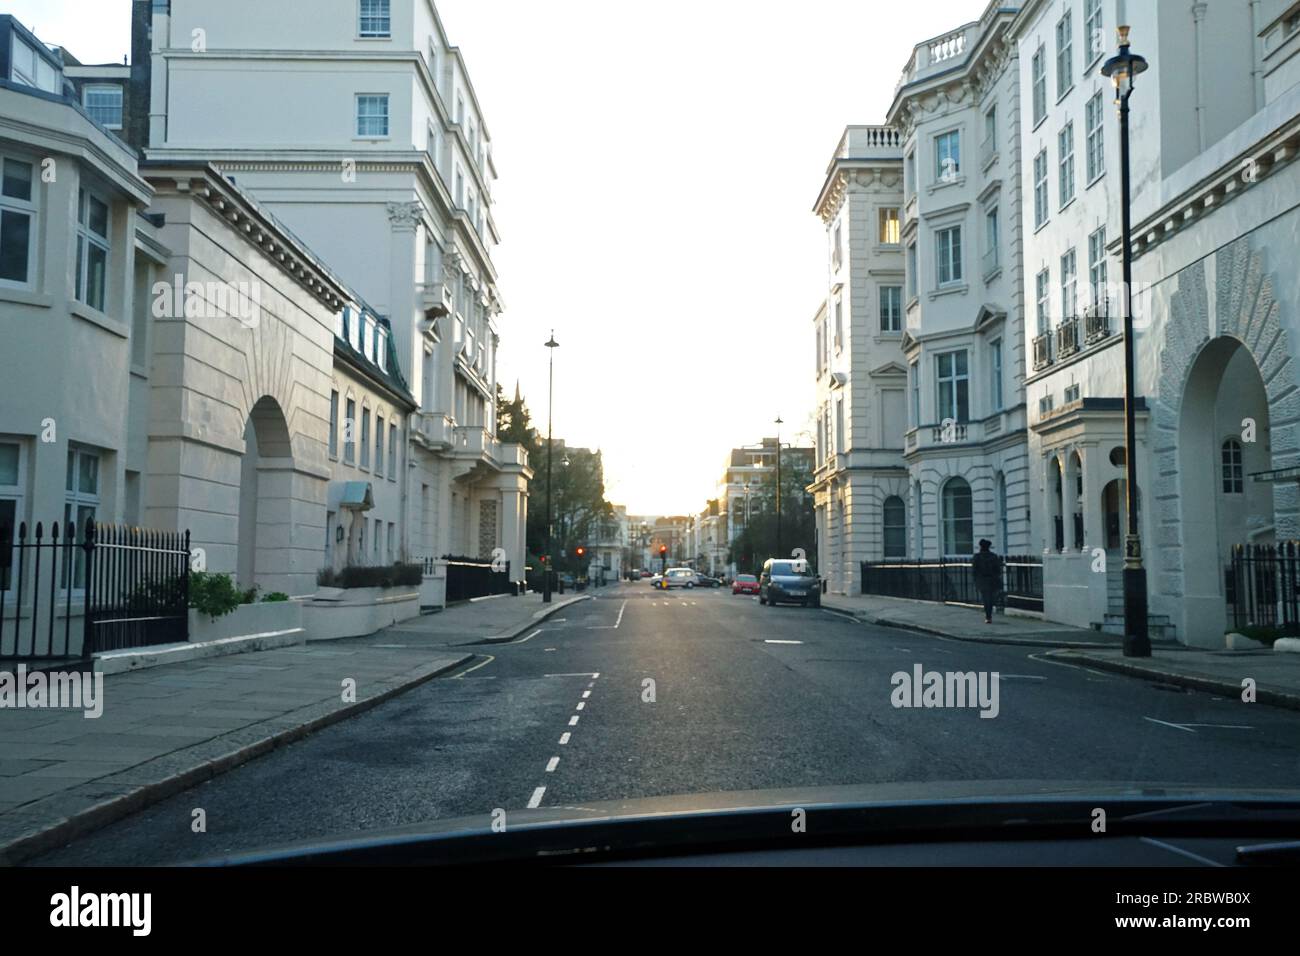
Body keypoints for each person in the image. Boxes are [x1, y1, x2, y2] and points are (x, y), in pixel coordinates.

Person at [971, 539, 1003, 624]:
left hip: (982, 580)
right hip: (993, 580)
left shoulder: (977, 557)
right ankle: (989, 615)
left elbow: (974, 570)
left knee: (986, 598)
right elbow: (998, 570)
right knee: (991, 598)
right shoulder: (993, 556)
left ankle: (988, 616)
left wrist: (975, 579)